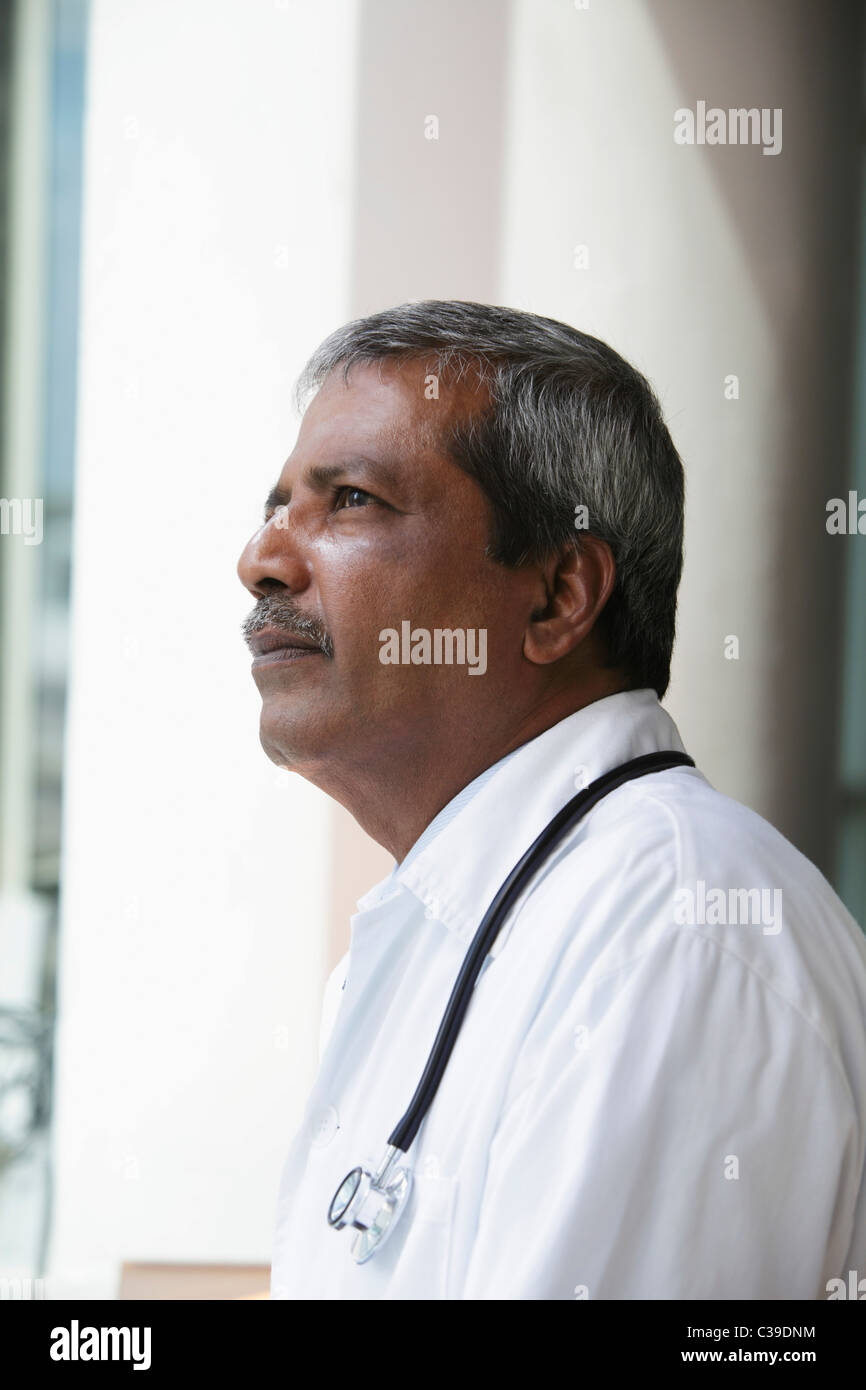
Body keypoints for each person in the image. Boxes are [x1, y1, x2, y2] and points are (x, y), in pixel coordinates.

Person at [237, 300, 866, 1300]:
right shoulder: (446, 932)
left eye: (350, 501)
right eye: (277, 507)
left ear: (556, 594)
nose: (262, 560)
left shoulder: (667, 934)